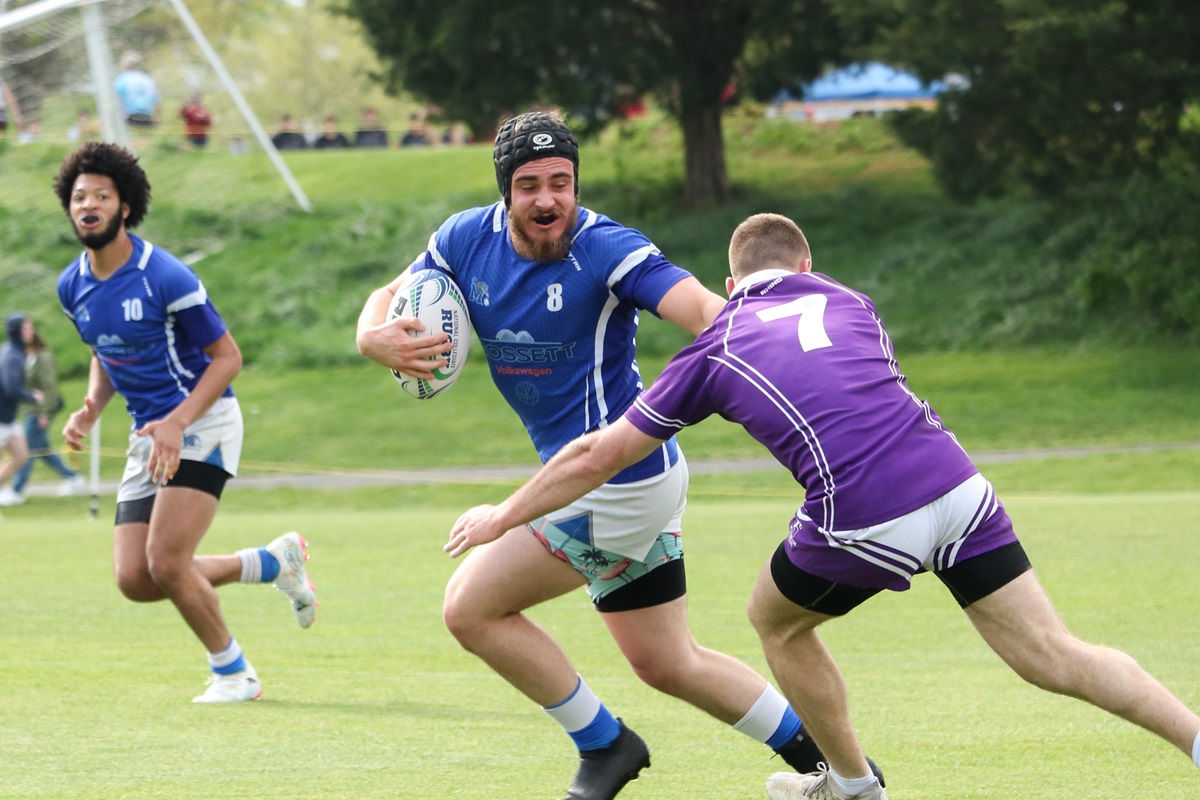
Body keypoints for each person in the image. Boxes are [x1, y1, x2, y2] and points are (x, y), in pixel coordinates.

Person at [448, 212, 1200, 800]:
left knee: (775, 620)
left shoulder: (715, 348)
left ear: (731, 280)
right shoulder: (851, 301)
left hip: (868, 514)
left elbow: (596, 455)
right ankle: (1195, 740)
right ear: (806, 266)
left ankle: (851, 784)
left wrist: (504, 515)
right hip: (960, 485)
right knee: (1054, 654)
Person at [357, 113, 880, 800]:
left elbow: (706, 313)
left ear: (576, 183)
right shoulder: (463, 239)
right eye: (529, 186)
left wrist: (807, 357)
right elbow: (387, 297)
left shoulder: (608, 249)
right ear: (504, 193)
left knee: (471, 609)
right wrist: (373, 337)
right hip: (617, 482)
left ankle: (605, 746)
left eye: (561, 183)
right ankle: (836, 766)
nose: (548, 200)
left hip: (618, 483)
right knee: (668, 663)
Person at [52, 142, 319, 702]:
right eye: (79, 197)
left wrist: (176, 422)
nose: (89, 205)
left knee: (167, 562)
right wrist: (91, 406)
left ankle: (234, 673)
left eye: (101, 195)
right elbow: (106, 349)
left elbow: (228, 359)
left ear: (125, 207)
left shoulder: (164, 276)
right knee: (136, 579)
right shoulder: (71, 285)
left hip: (206, 421)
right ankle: (271, 563)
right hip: (149, 433)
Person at [2, 317, 85, 505]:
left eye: (31, 328)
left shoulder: (42, 356)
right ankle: (72, 477)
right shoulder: (20, 355)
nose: (30, 332)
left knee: (28, 451)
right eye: (26, 328)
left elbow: (49, 387)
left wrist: (45, 412)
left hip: (39, 411)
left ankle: (16, 490)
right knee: (40, 449)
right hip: (26, 411)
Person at [0, 314, 43, 519]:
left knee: (21, 455)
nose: (30, 332)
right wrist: (33, 396)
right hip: (1, 419)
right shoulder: (12, 355)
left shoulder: (16, 352)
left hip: (9, 419)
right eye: (26, 328)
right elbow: (11, 388)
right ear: (16, 330)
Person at [113, 51, 159, 130]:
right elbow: (156, 101)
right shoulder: (147, 79)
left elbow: (115, 100)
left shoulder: (121, 80)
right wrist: (156, 119)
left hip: (130, 118)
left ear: (125, 65)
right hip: (147, 118)